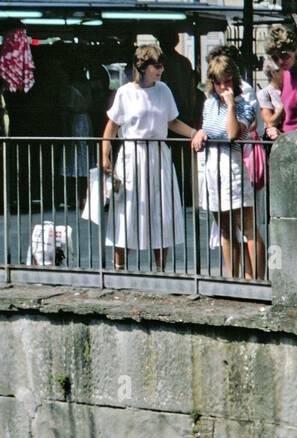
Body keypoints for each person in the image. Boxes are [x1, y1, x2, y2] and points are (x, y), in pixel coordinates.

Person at [101, 43, 196, 271]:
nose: (160, 70)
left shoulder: (164, 90)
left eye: (162, 66)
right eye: (156, 66)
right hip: (133, 155)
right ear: (143, 67)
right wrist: (105, 155)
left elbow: (171, 121)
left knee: (161, 208)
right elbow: (112, 126)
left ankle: (161, 268)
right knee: (128, 208)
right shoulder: (125, 92)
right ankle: (119, 266)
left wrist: (194, 133)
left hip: (158, 155)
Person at [193, 49, 264, 281]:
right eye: (218, 83)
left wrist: (231, 105)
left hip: (232, 167)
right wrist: (201, 132)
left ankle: (258, 280)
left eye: (227, 82)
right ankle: (231, 279)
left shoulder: (244, 104)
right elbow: (209, 128)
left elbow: (234, 133)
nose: (223, 87)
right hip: (212, 168)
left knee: (247, 227)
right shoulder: (209, 104)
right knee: (224, 229)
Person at [157, 27, 196, 127]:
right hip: (180, 111)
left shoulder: (159, 62)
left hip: (176, 111)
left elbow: (190, 88)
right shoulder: (184, 62)